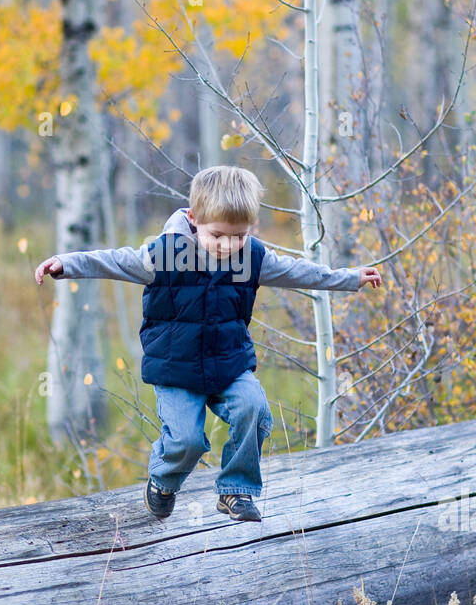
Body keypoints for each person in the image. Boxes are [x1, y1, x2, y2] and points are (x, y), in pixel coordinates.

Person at [35, 166, 381, 523]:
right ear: (194, 218)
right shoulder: (164, 256)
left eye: (238, 236)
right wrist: (67, 264)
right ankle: (163, 481)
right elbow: (114, 260)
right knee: (186, 441)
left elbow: (299, 271)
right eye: (217, 235)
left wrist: (350, 278)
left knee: (254, 409)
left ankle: (236, 490)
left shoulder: (252, 257)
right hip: (176, 368)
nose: (227, 246)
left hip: (228, 363)